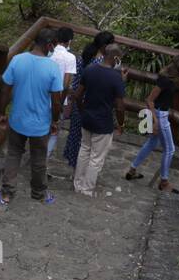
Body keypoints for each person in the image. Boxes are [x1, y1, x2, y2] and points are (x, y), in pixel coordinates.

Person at [0, 28, 64, 206]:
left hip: (17, 119)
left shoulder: (17, 60)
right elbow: (56, 101)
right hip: (40, 124)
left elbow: (5, 89)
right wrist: (55, 121)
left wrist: (2, 113)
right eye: (53, 46)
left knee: (13, 154)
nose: (53, 49)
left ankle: (6, 194)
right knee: (39, 159)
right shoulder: (52, 67)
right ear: (48, 45)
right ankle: (39, 194)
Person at [73, 44, 126, 196]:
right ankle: (87, 189)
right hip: (103, 122)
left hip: (87, 118)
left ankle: (78, 184)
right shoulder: (116, 77)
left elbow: (77, 95)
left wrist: (82, 111)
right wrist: (121, 123)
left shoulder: (90, 69)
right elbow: (120, 106)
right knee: (96, 158)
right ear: (115, 58)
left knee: (84, 151)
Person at [124, 56, 179, 193]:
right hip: (159, 115)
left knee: (151, 142)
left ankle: (132, 169)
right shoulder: (164, 81)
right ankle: (164, 181)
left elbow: (178, 84)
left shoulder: (168, 79)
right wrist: (155, 121)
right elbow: (149, 100)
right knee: (170, 149)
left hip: (158, 113)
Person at [64, 31, 114, 168]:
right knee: (90, 142)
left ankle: (74, 167)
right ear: (105, 46)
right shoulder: (103, 63)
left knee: (76, 136)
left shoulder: (84, 57)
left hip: (78, 101)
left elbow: (76, 82)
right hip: (93, 105)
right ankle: (83, 171)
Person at [47, 27, 78, 159]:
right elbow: (65, 84)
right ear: (69, 40)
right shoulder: (70, 57)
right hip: (58, 98)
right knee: (54, 130)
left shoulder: (48, 53)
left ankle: (36, 155)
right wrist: (60, 104)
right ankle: (44, 159)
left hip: (42, 96)